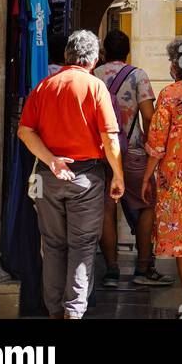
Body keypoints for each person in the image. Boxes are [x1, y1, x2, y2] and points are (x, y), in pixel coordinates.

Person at [17, 29, 122, 320]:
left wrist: (51, 161)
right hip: (86, 177)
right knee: (82, 245)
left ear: (67, 56)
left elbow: (25, 131)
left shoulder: (44, 86)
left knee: (52, 245)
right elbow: (110, 138)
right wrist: (118, 175)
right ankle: (73, 311)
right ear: (94, 59)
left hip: (50, 177)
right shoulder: (95, 87)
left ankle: (53, 310)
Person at [95, 28, 171, 289]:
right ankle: (143, 267)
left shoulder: (94, 75)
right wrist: (154, 147)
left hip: (102, 153)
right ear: (128, 51)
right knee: (146, 205)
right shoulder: (138, 75)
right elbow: (149, 116)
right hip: (134, 151)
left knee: (106, 209)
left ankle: (112, 270)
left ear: (104, 51)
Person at [142, 38, 182, 317]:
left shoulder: (169, 95)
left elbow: (157, 143)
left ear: (175, 64)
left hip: (177, 180)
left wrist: (146, 177)